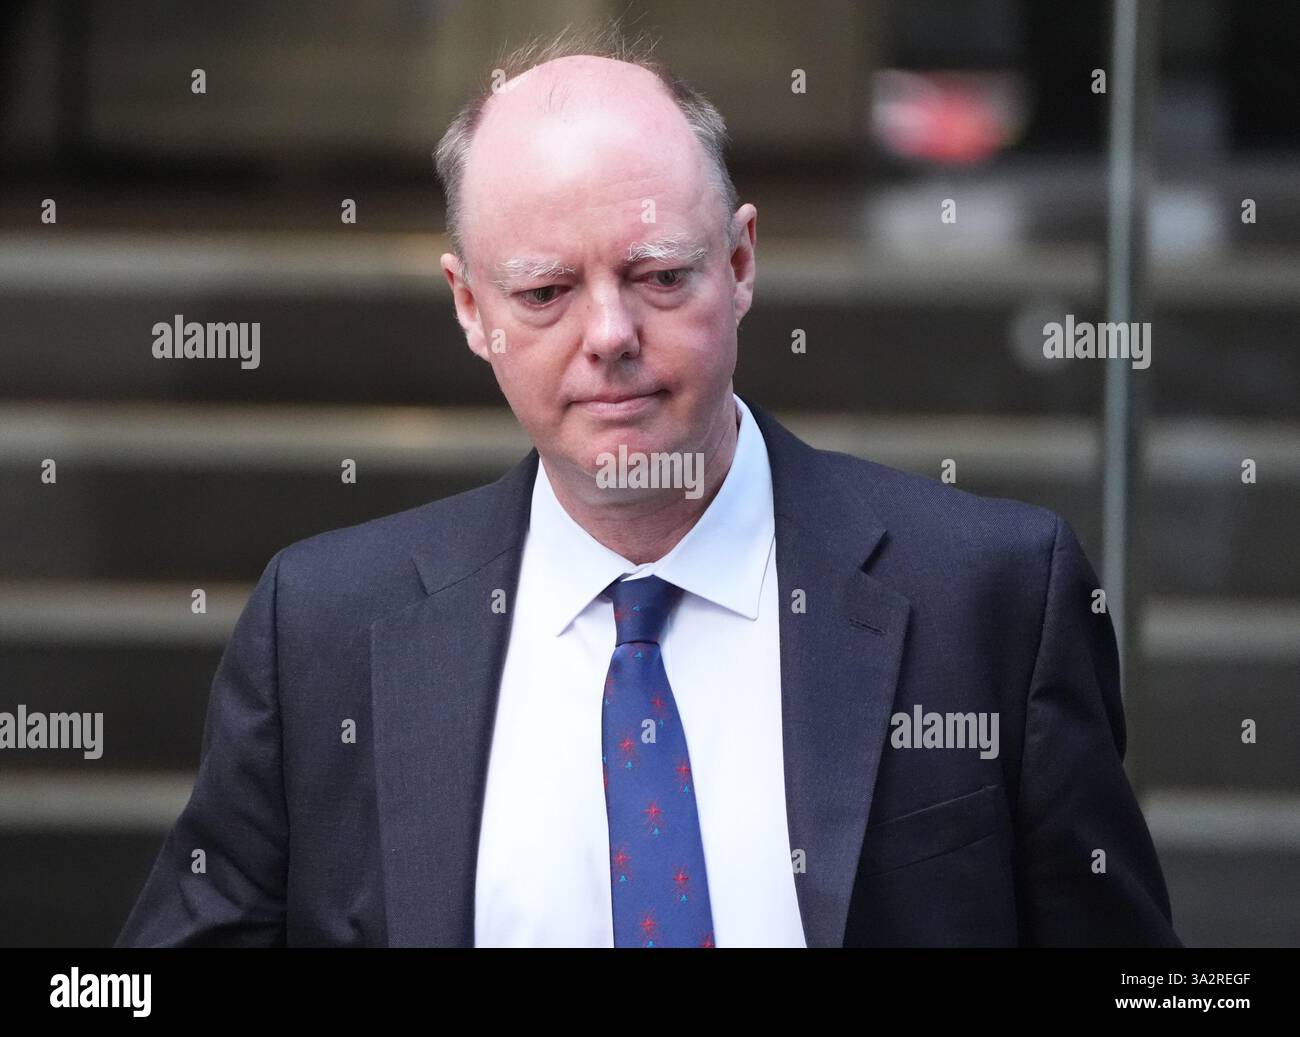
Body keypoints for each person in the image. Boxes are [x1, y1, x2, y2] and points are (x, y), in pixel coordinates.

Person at [116, 26, 1180, 948]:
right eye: (543, 291)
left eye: (659, 275)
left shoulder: (991, 594)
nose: (610, 336)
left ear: (743, 259)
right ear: (467, 306)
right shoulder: (326, 629)